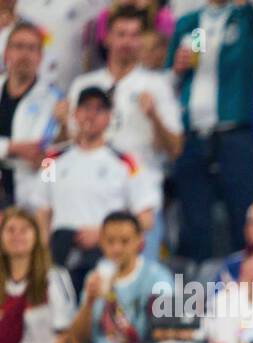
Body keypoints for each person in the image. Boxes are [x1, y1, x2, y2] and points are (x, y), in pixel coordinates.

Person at [67, 8, 184, 262]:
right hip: (90, 200)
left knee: (139, 287)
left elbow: (175, 148)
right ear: (107, 38)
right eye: (121, 34)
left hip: (139, 199)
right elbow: (66, 147)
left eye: (134, 35)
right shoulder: (83, 85)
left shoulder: (157, 85)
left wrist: (154, 117)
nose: (127, 42)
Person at [166, 0, 253, 265]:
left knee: (242, 216)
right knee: (194, 220)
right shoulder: (189, 23)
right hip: (192, 134)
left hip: (234, 133)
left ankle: (249, 285)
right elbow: (169, 81)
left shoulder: (246, 17)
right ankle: (196, 294)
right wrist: (177, 69)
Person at [35, 87, 156, 289]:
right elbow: (42, 210)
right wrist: (43, 253)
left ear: (109, 117)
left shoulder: (127, 162)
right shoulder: (52, 159)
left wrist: (104, 233)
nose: (91, 114)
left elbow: (145, 217)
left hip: (106, 255)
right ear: (75, 114)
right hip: (61, 251)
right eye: (86, 108)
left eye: (99, 109)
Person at [67, 210, 172, 343]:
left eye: (124, 241)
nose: (117, 249)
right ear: (101, 242)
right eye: (110, 241)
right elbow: (76, 342)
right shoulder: (95, 277)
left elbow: (168, 334)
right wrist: (89, 302)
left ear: (139, 240)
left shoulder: (158, 278)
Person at [0, 205, 75, 343]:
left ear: (36, 235)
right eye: (10, 230)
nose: (17, 236)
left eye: (24, 230)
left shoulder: (55, 277)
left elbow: (65, 335)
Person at [0, 21, 60, 209]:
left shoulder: (55, 100)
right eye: (18, 47)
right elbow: (23, 149)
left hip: (29, 195)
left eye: (31, 48)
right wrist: (11, 148)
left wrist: (46, 200)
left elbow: (51, 156)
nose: (24, 54)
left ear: (40, 56)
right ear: (6, 53)